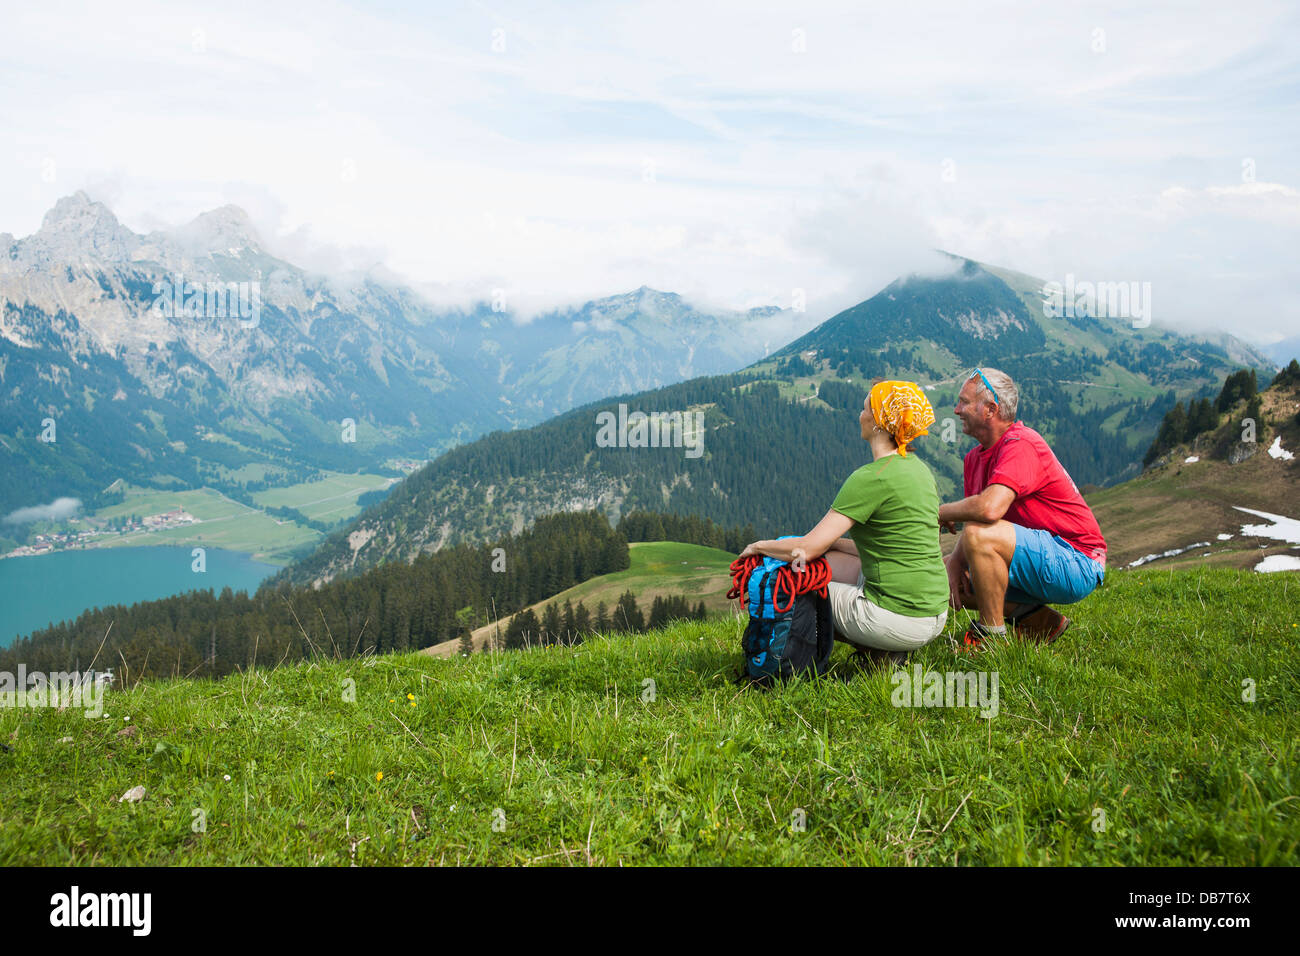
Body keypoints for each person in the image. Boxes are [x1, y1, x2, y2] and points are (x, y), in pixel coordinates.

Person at [738, 380, 949, 659]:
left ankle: (796, 663)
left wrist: (758, 546)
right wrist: (837, 543)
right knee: (828, 562)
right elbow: (897, 544)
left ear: (878, 423)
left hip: (901, 618)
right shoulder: (919, 470)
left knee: (794, 581)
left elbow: (806, 549)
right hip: (934, 613)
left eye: (864, 409)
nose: (859, 415)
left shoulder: (871, 477)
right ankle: (883, 650)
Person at [938, 367, 1106, 647]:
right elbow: (977, 523)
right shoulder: (973, 460)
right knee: (942, 576)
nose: (956, 410)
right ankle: (1038, 622)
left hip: (1077, 559)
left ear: (990, 409)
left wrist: (938, 512)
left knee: (981, 534)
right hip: (1036, 554)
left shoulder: (1021, 443)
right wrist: (954, 564)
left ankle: (991, 638)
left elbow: (989, 510)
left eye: (964, 402)